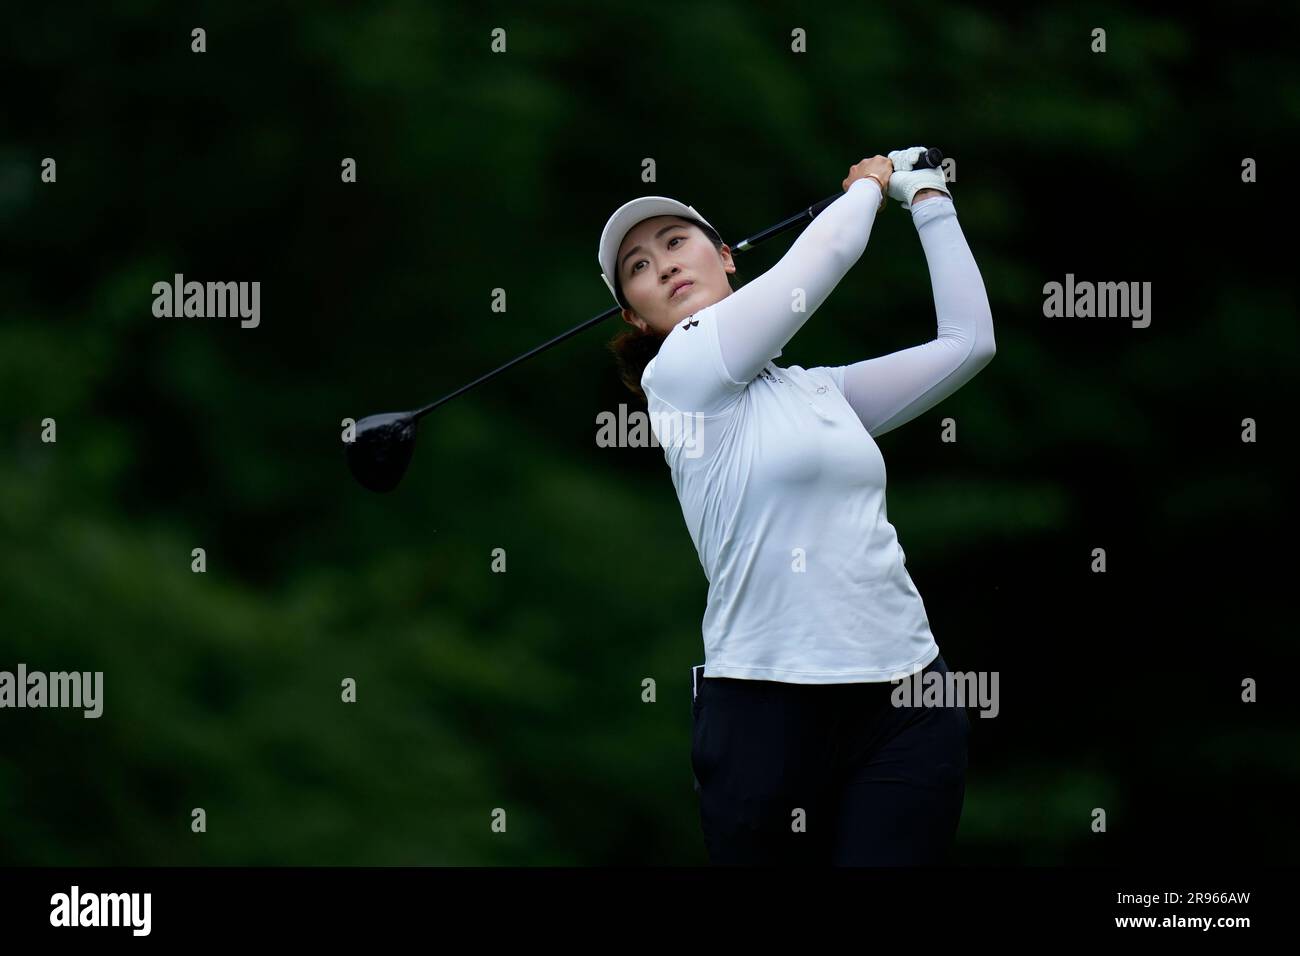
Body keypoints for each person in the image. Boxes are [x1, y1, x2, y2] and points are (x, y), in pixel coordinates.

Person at [597, 148, 995, 865]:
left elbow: (968, 345)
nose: (663, 265)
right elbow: (828, 253)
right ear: (638, 314)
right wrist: (873, 186)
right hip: (764, 708)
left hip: (905, 696)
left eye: (675, 242)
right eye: (639, 267)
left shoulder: (823, 393)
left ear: (727, 259)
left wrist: (930, 199)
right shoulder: (679, 375)